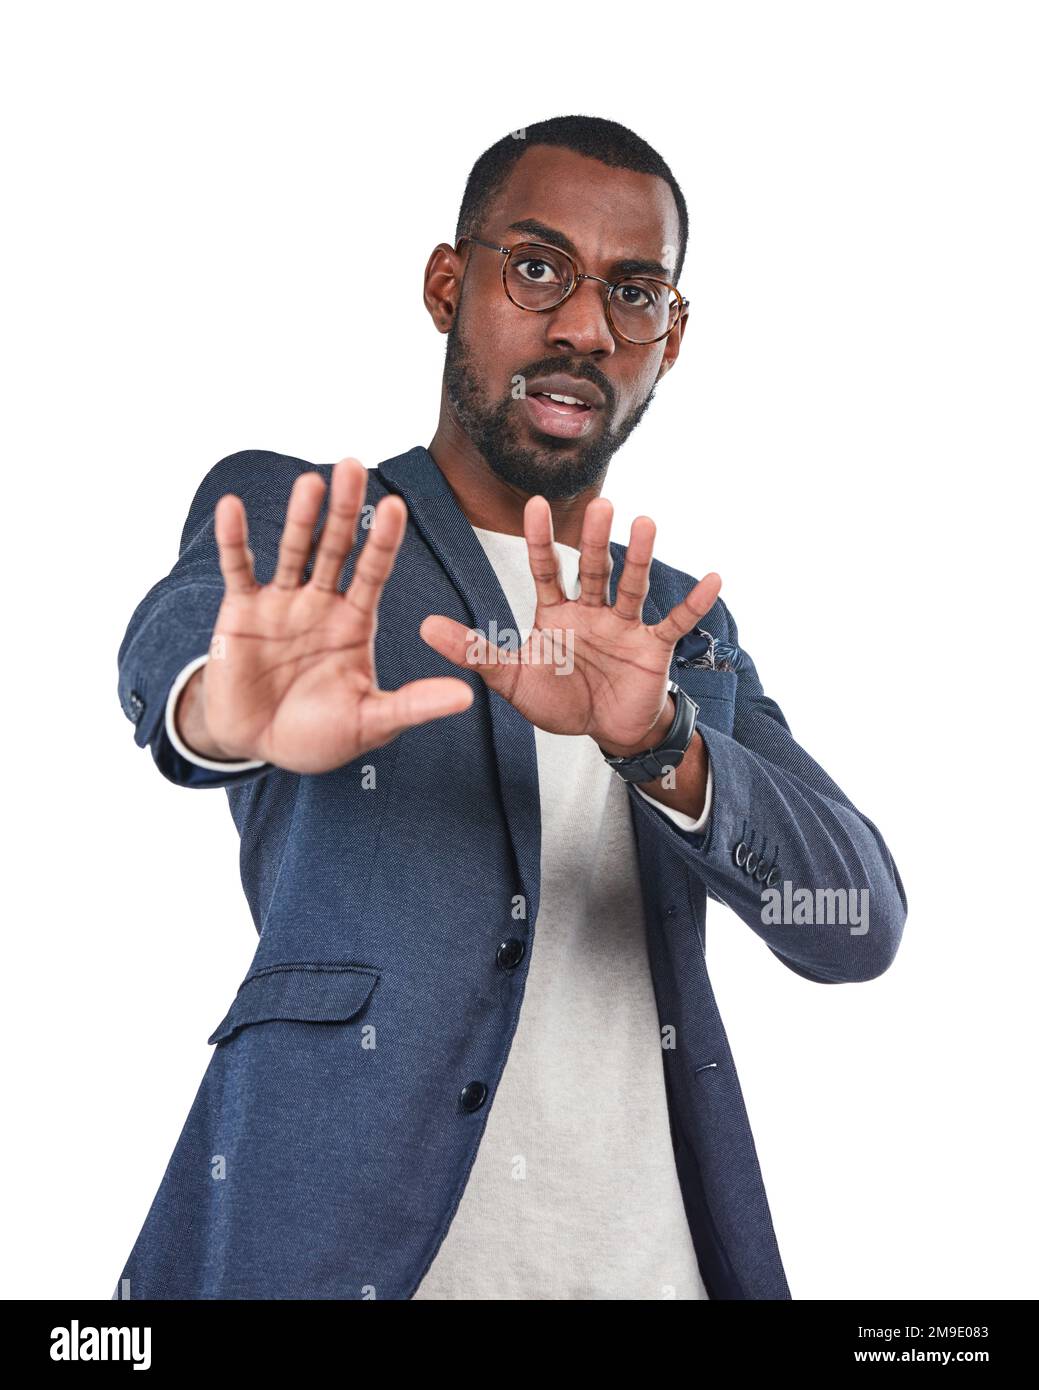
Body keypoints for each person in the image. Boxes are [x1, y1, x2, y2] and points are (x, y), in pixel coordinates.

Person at [112, 115, 907, 1301]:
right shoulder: (318, 523)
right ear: (448, 283)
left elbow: (853, 917)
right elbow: (183, 645)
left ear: (671, 336)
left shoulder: (682, 627)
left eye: (633, 291)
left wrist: (664, 745)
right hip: (338, 1257)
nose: (584, 326)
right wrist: (219, 708)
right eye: (536, 268)